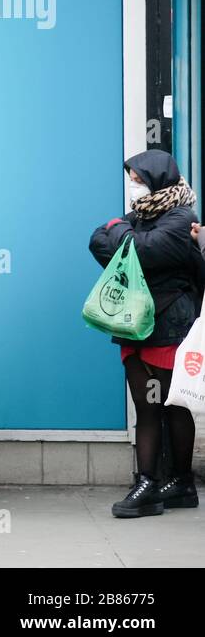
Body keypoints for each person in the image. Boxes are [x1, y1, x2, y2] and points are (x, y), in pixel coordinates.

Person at [91, 150, 203, 518]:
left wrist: (118, 230)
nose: (132, 187)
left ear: (156, 179)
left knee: (171, 405)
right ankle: (151, 482)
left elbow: (145, 250)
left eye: (137, 180)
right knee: (146, 406)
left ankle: (177, 482)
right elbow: (96, 241)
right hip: (135, 323)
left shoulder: (181, 216)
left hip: (169, 322)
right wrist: (122, 236)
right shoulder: (141, 217)